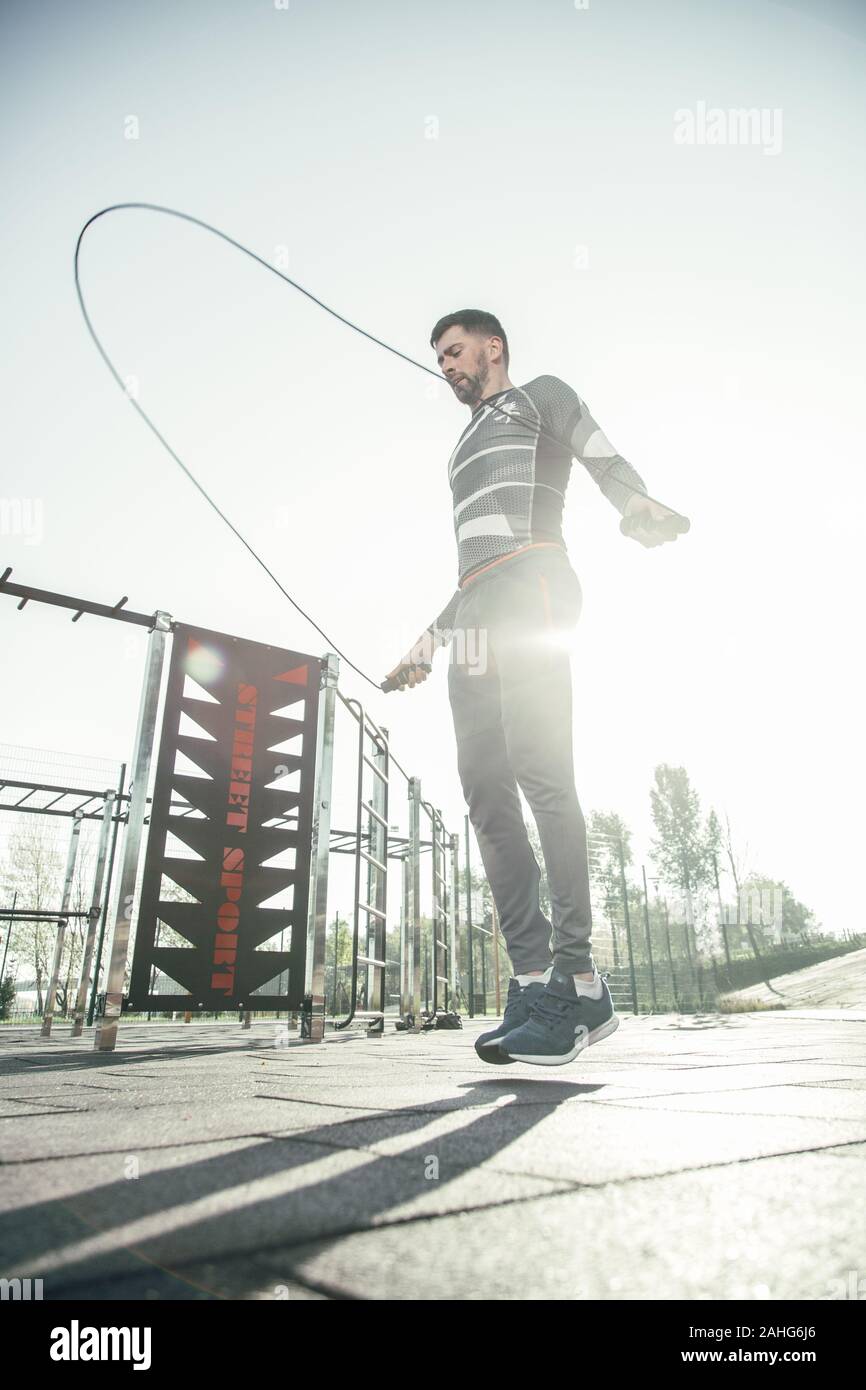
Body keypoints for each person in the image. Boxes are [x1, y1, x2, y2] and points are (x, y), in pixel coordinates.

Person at [384, 310, 685, 1065]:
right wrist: (432, 637)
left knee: (540, 771)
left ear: (493, 348)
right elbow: (473, 563)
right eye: (440, 358)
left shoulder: (540, 396)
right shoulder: (459, 448)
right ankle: (530, 981)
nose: (447, 365)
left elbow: (598, 449)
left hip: (538, 586)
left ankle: (579, 978)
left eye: (455, 351)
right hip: (478, 607)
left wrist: (635, 501)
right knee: (485, 788)